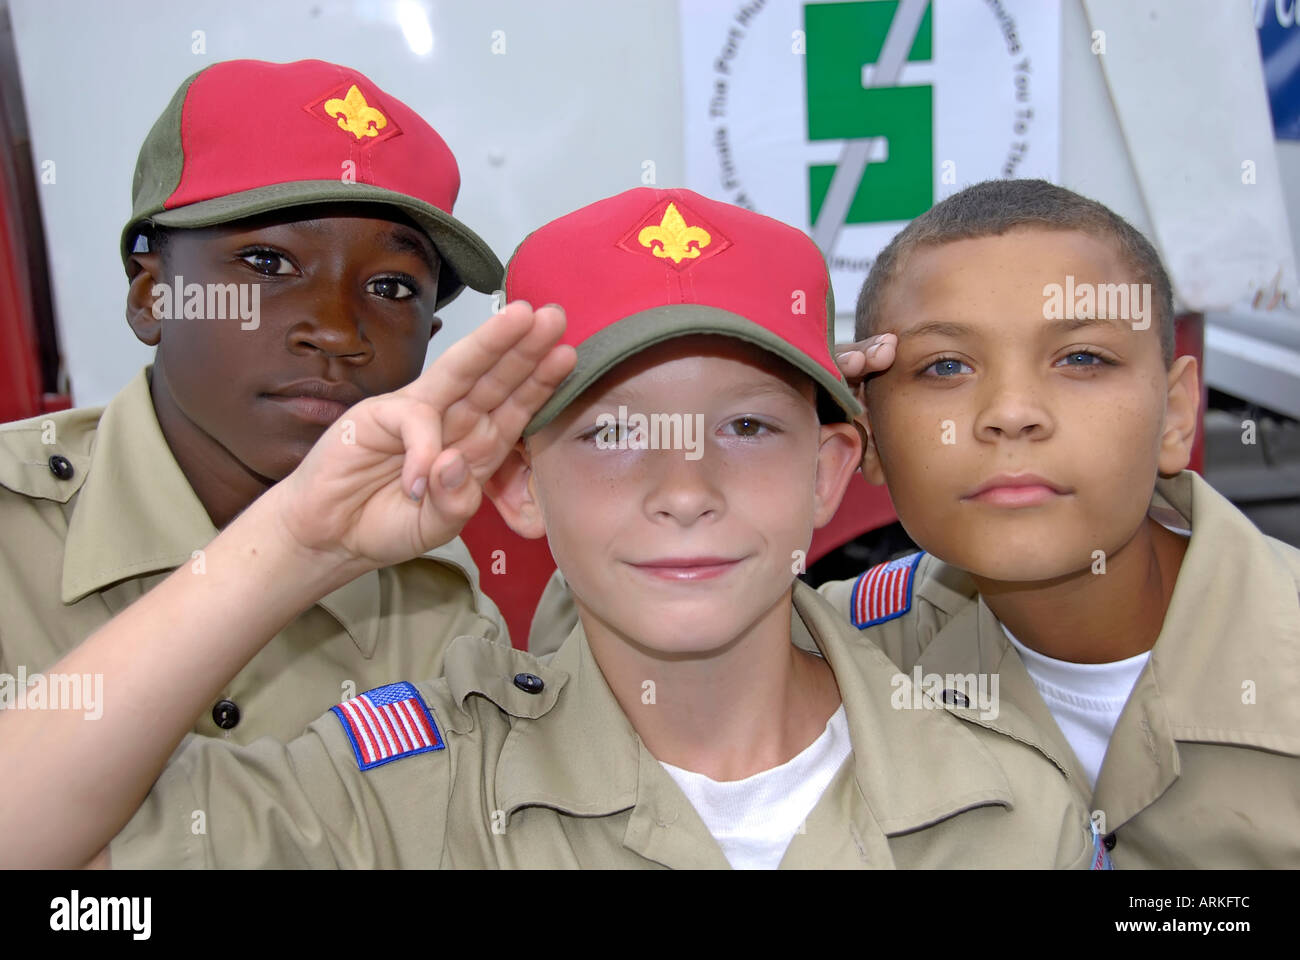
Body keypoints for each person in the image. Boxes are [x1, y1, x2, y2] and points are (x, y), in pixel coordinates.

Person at [0, 188, 1101, 869]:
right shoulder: (408, 794)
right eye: (615, 429)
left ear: (829, 474)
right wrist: (298, 546)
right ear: (518, 486)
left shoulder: (1001, 801)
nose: (685, 487)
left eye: (749, 428)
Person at [0, 59, 507, 744]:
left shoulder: (434, 594)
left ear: (431, 338)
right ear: (154, 296)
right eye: (268, 263)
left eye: (391, 288)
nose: (335, 329)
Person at [816, 178, 1300, 867]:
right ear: (866, 437)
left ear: (1176, 414)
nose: (1012, 411)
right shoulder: (842, 655)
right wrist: (768, 428)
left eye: (1081, 358)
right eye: (945, 366)